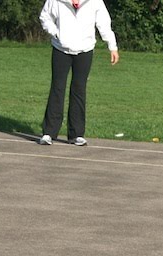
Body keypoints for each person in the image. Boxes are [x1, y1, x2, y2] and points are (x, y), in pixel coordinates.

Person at [37, 0, 119, 147]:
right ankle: (49, 132)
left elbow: (104, 23)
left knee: (79, 89)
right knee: (57, 87)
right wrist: (55, 32)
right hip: (61, 49)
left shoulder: (95, 2)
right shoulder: (55, 1)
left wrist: (112, 46)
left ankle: (76, 134)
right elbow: (45, 17)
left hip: (85, 49)